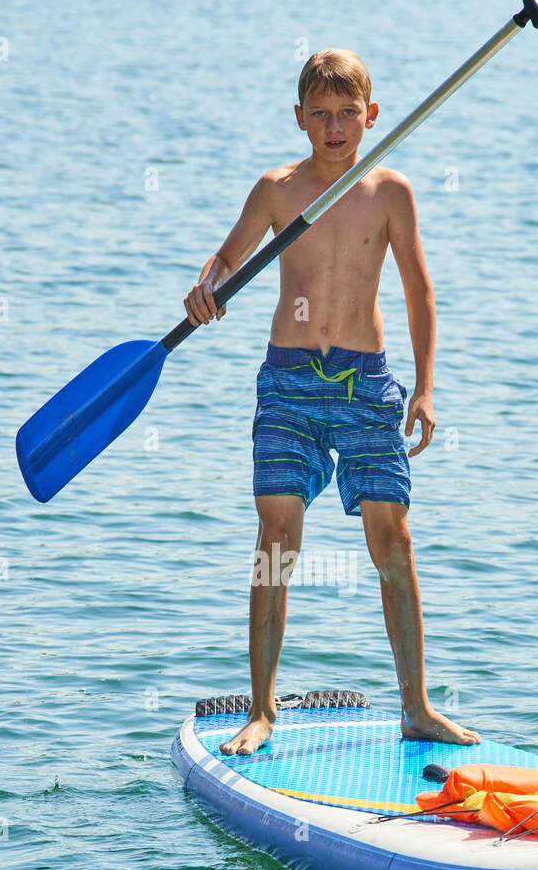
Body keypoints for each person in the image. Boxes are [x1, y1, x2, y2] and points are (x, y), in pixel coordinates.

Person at [184, 48, 481, 756]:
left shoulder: (389, 193)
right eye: (319, 114)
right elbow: (227, 258)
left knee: (393, 540)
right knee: (275, 544)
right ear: (299, 120)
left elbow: (418, 290)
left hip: (365, 382)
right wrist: (207, 287)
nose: (334, 126)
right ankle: (260, 711)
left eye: (348, 113)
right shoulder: (277, 190)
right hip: (287, 381)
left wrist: (427, 386)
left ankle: (416, 706)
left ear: (371, 116)